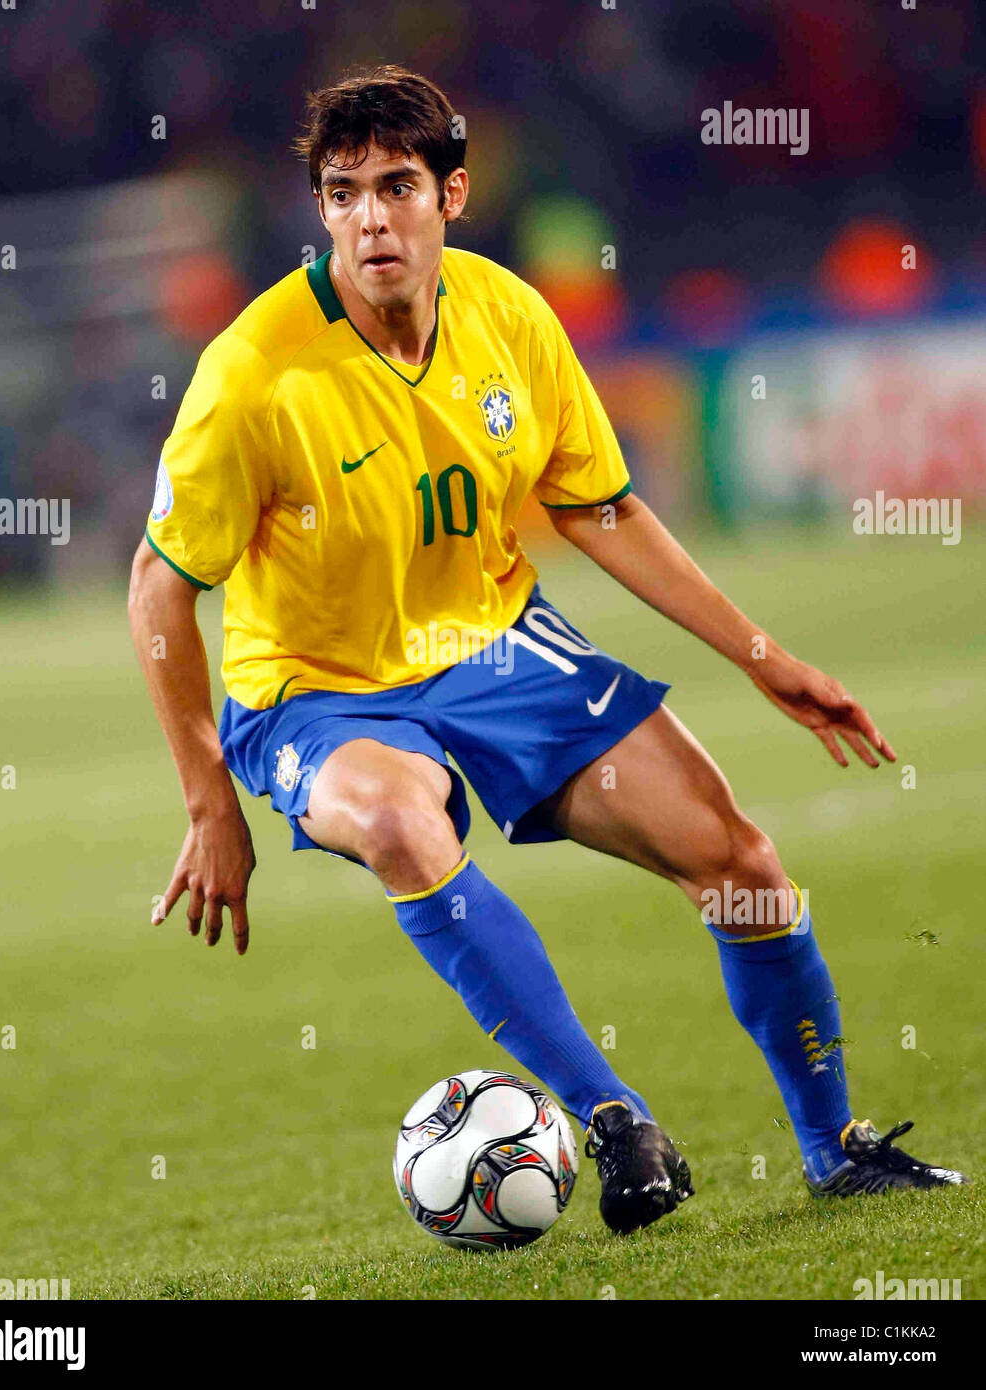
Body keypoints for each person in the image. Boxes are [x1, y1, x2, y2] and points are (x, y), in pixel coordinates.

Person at [128, 65, 967, 1235]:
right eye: (343, 192)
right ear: (319, 208)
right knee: (395, 818)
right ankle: (611, 1116)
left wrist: (757, 653)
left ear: (451, 193)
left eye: (398, 186)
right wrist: (208, 793)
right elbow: (159, 587)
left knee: (743, 870)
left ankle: (835, 1148)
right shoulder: (251, 375)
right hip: (316, 693)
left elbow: (602, 507)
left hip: (496, 647)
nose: (371, 216)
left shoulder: (507, 315)